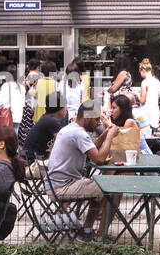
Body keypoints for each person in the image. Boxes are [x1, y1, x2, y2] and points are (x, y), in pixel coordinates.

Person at [44, 100, 119, 237]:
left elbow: (91, 146)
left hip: (55, 184)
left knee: (99, 186)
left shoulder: (70, 128)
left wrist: (104, 134)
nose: (98, 123)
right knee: (111, 188)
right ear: (87, 118)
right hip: (62, 188)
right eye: (97, 119)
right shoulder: (79, 134)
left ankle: (87, 230)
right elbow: (99, 159)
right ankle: (99, 235)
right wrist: (109, 136)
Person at [22, 92, 69, 163]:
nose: (66, 108)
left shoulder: (48, 118)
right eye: (65, 106)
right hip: (32, 164)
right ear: (59, 108)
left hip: (34, 160)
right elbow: (65, 142)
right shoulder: (51, 121)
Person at [135, 59, 160, 136]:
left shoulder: (144, 82)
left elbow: (142, 101)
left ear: (143, 70)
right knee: (152, 135)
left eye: (140, 72)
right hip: (155, 113)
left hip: (145, 113)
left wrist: (137, 94)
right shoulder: (157, 82)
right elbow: (157, 97)